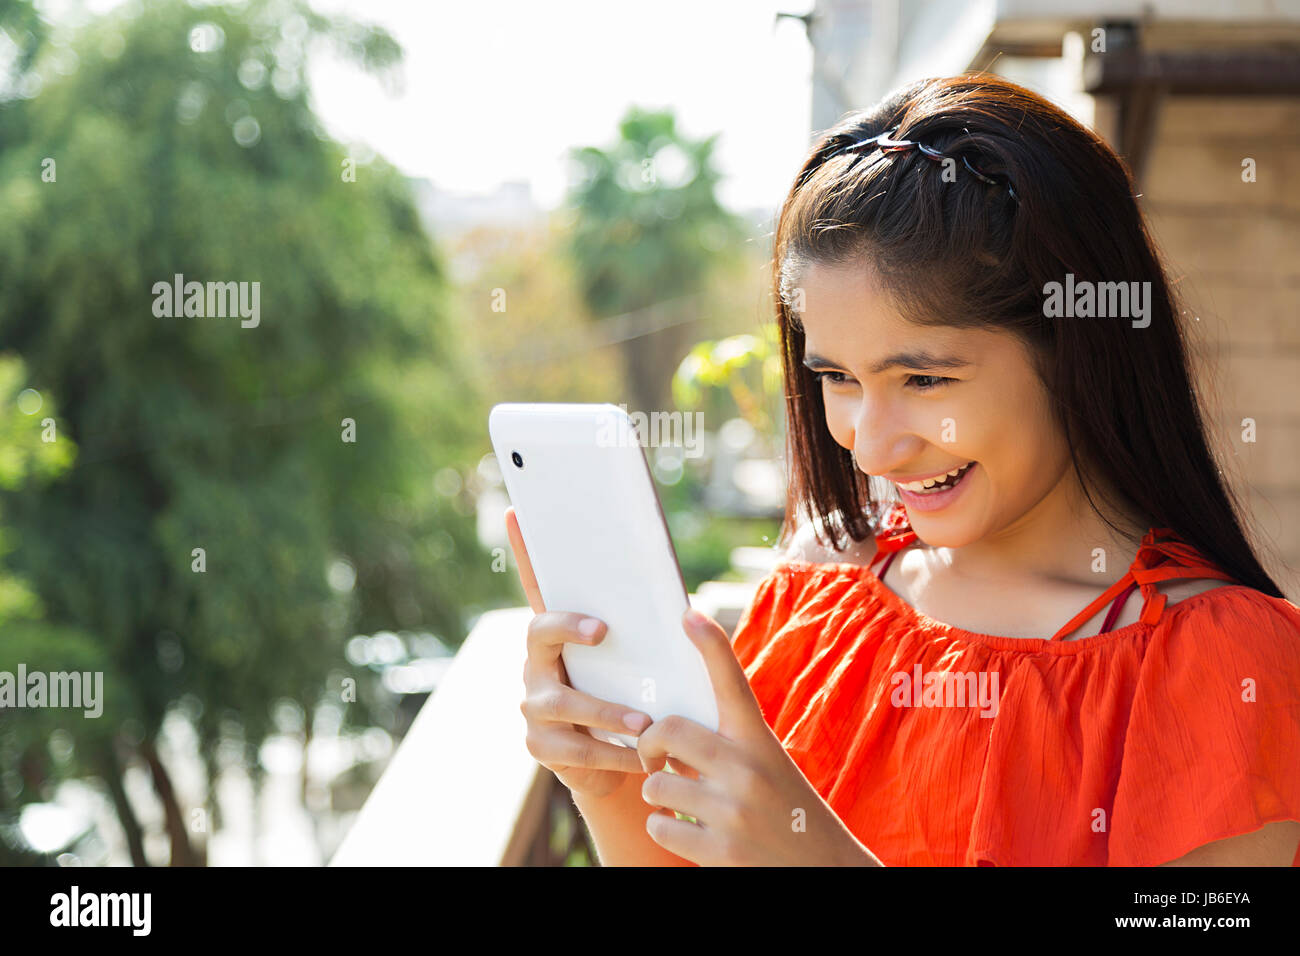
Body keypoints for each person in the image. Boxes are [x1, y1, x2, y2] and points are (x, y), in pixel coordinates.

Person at [509, 73, 1300, 866]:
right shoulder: (819, 595)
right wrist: (605, 786)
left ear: (1077, 354)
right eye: (838, 379)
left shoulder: (1224, 668)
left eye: (923, 380)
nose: (872, 447)